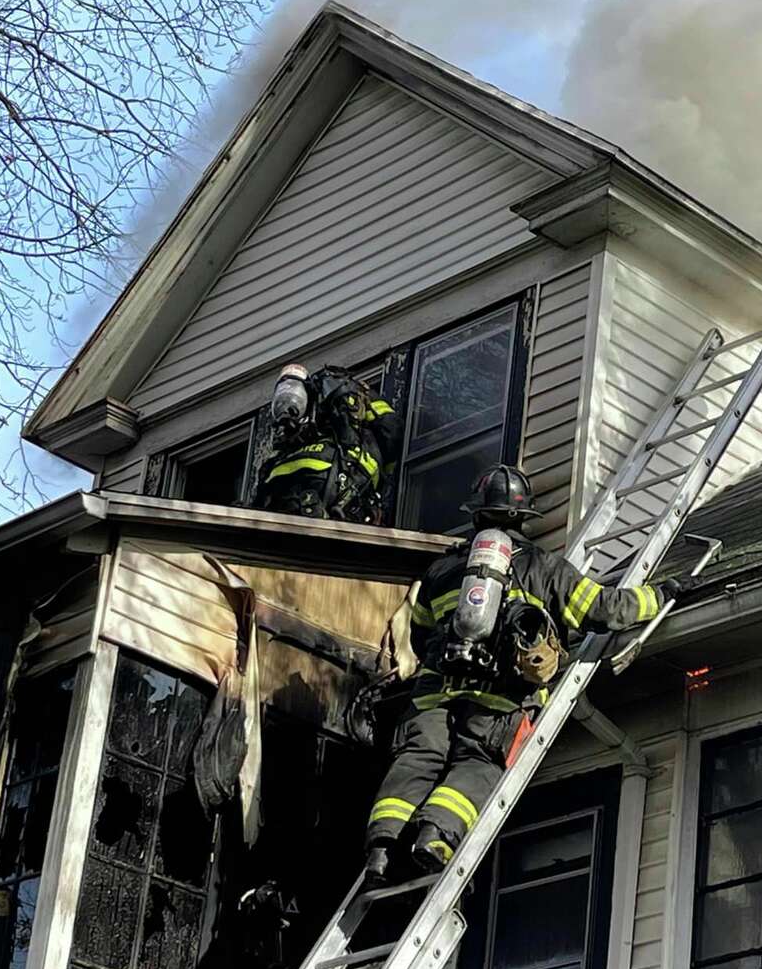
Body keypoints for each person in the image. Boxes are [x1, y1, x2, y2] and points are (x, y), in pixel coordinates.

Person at [364, 464, 686, 880]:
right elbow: (604, 610)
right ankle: (435, 836)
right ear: (522, 517)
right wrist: (660, 594)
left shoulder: (439, 573)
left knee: (416, 760)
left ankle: (381, 848)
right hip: (500, 702)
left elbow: (422, 637)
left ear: (477, 514)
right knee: (479, 763)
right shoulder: (544, 568)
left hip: (433, 697)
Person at [258, 363, 401, 524]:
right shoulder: (280, 458)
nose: (287, 409)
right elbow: (391, 435)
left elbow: (390, 432)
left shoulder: (343, 441)